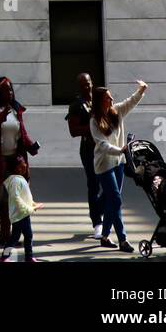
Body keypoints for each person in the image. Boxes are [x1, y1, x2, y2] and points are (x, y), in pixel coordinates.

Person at [0, 75, 40, 248]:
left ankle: (6, 235)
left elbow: (22, 133)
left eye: (11, 89)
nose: (10, 92)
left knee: (8, 197)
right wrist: (0, 115)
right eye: (6, 90)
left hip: (13, 160)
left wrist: (31, 146)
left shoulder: (15, 109)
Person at [90, 79, 148, 252]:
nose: (112, 100)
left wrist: (141, 89)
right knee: (115, 200)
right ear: (100, 101)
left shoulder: (117, 112)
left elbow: (131, 102)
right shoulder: (94, 121)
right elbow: (102, 145)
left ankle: (107, 236)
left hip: (118, 164)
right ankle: (120, 238)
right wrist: (121, 150)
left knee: (112, 201)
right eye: (108, 98)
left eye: (111, 97)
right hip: (104, 165)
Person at [65, 71, 103, 238]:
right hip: (89, 149)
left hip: (105, 147)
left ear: (92, 83)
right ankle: (97, 222)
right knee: (94, 184)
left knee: (111, 185)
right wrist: (92, 129)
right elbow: (73, 131)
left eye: (88, 83)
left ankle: (99, 210)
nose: (87, 87)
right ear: (80, 87)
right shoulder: (76, 105)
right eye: (83, 85)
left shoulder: (100, 99)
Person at [0, 156, 43, 263]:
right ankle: (28, 257)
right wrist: (31, 208)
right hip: (20, 215)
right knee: (26, 236)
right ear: (16, 168)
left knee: (16, 237)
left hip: (22, 214)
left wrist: (33, 204)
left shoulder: (19, 179)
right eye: (22, 165)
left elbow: (24, 197)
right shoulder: (15, 181)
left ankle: (6, 257)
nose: (25, 166)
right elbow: (17, 199)